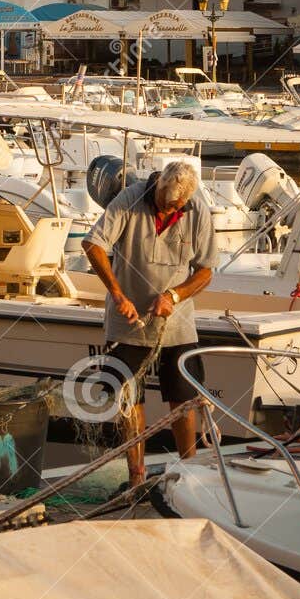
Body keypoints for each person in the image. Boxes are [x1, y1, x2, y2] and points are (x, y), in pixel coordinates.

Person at [83, 160, 218, 486]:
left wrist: (174, 295)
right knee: (129, 399)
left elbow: (205, 270)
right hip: (127, 320)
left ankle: (190, 474)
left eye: (173, 207)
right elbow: (93, 245)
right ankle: (136, 476)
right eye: (162, 203)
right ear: (157, 187)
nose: (165, 210)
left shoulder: (198, 210)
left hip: (177, 321)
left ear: (185, 201)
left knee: (183, 399)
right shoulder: (130, 198)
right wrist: (117, 294)